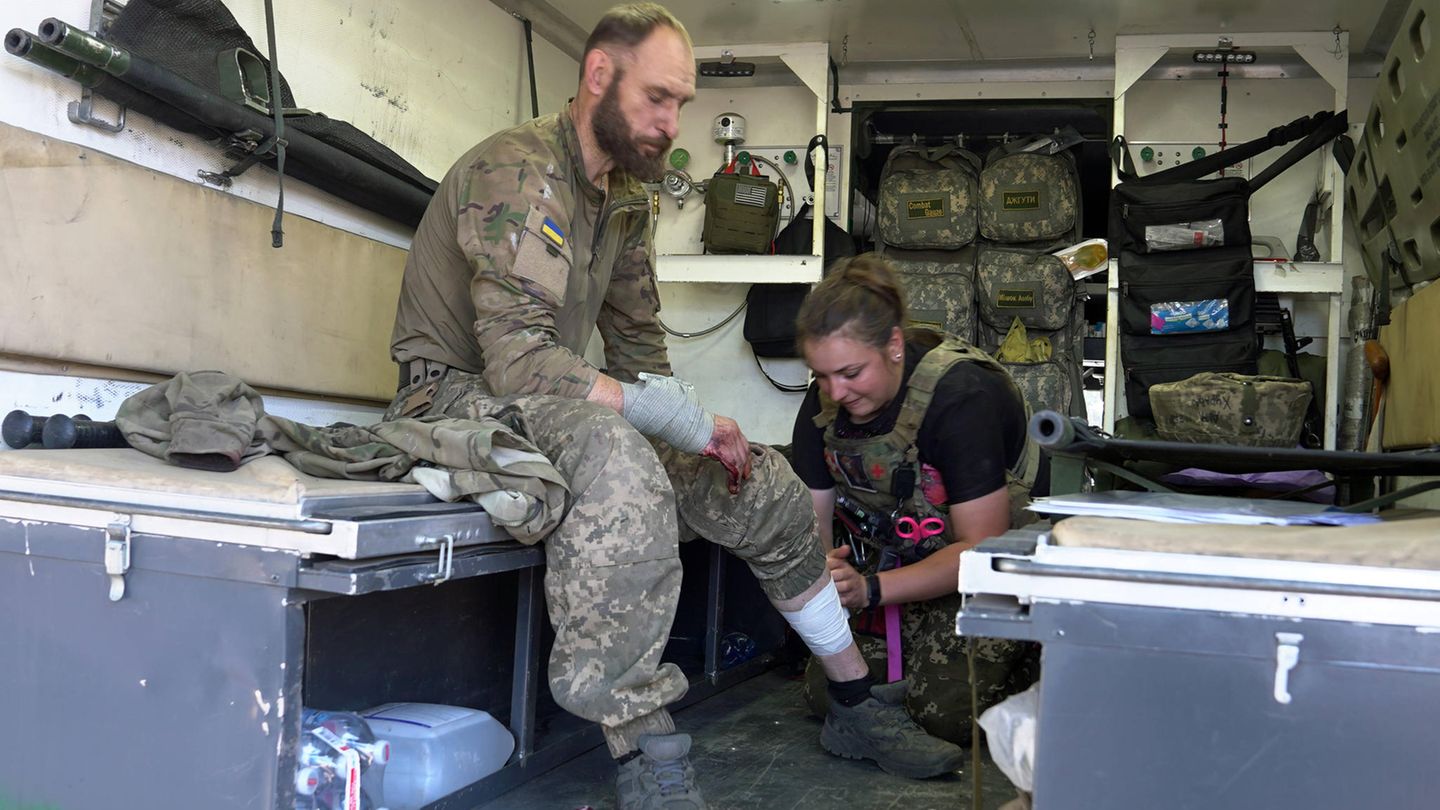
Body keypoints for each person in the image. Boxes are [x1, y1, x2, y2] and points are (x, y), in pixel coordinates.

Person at [386, 5, 963, 807]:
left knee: (762, 485)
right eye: (658, 98)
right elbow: (517, 364)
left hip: (544, 395)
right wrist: (677, 423)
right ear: (598, 77)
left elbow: (639, 350)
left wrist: (703, 432)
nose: (670, 121)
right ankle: (645, 747)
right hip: (451, 395)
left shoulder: (624, 196)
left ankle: (854, 702)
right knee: (622, 464)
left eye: (681, 104)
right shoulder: (518, 171)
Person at [790, 253, 1045, 746]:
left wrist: (869, 590)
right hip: (896, 570)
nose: (834, 391)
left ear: (894, 346)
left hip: (987, 576)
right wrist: (830, 575)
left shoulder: (961, 397)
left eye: (850, 373)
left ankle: (1041, 661)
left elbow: (982, 550)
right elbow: (814, 529)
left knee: (943, 715)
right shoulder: (826, 402)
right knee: (830, 693)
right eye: (821, 375)